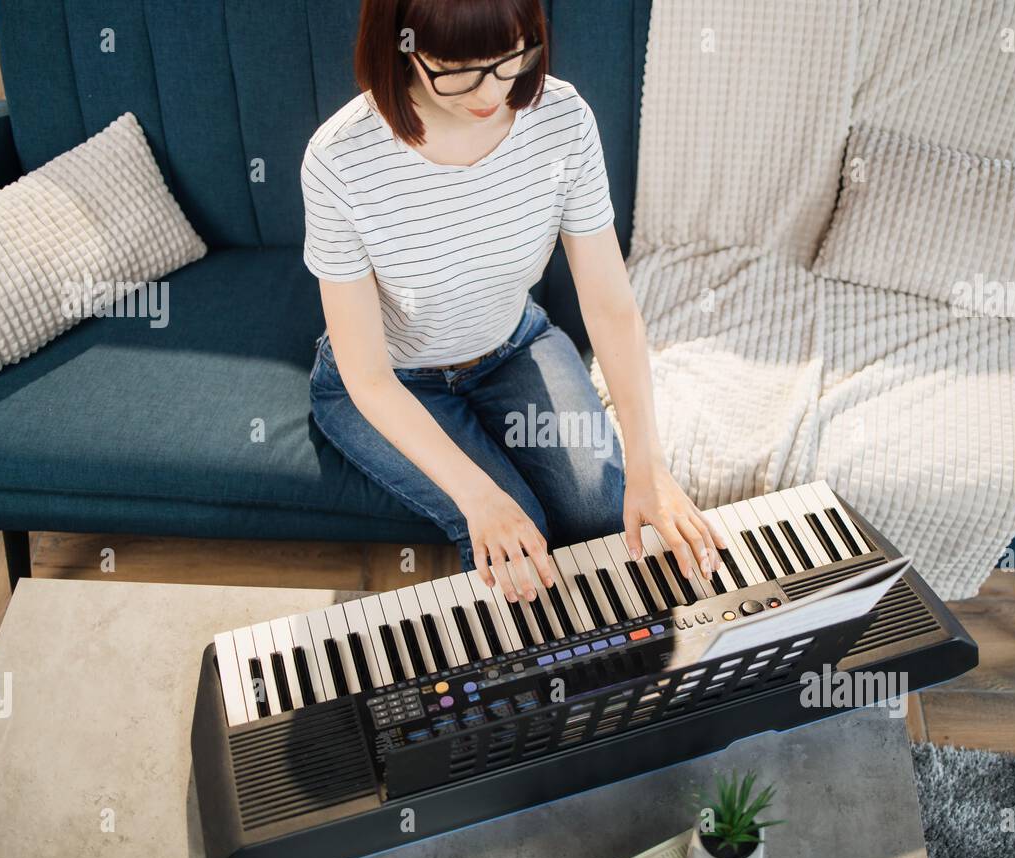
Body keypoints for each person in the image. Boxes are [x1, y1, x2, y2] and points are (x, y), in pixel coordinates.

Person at [301, 0, 720, 602]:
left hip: (513, 346)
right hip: (389, 381)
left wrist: (649, 464)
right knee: (518, 544)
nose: (490, 90)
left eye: (509, 59)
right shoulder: (340, 159)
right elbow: (367, 376)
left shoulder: (563, 119)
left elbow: (610, 306)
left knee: (604, 516)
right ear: (400, 43)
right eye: (456, 68)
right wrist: (478, 498)